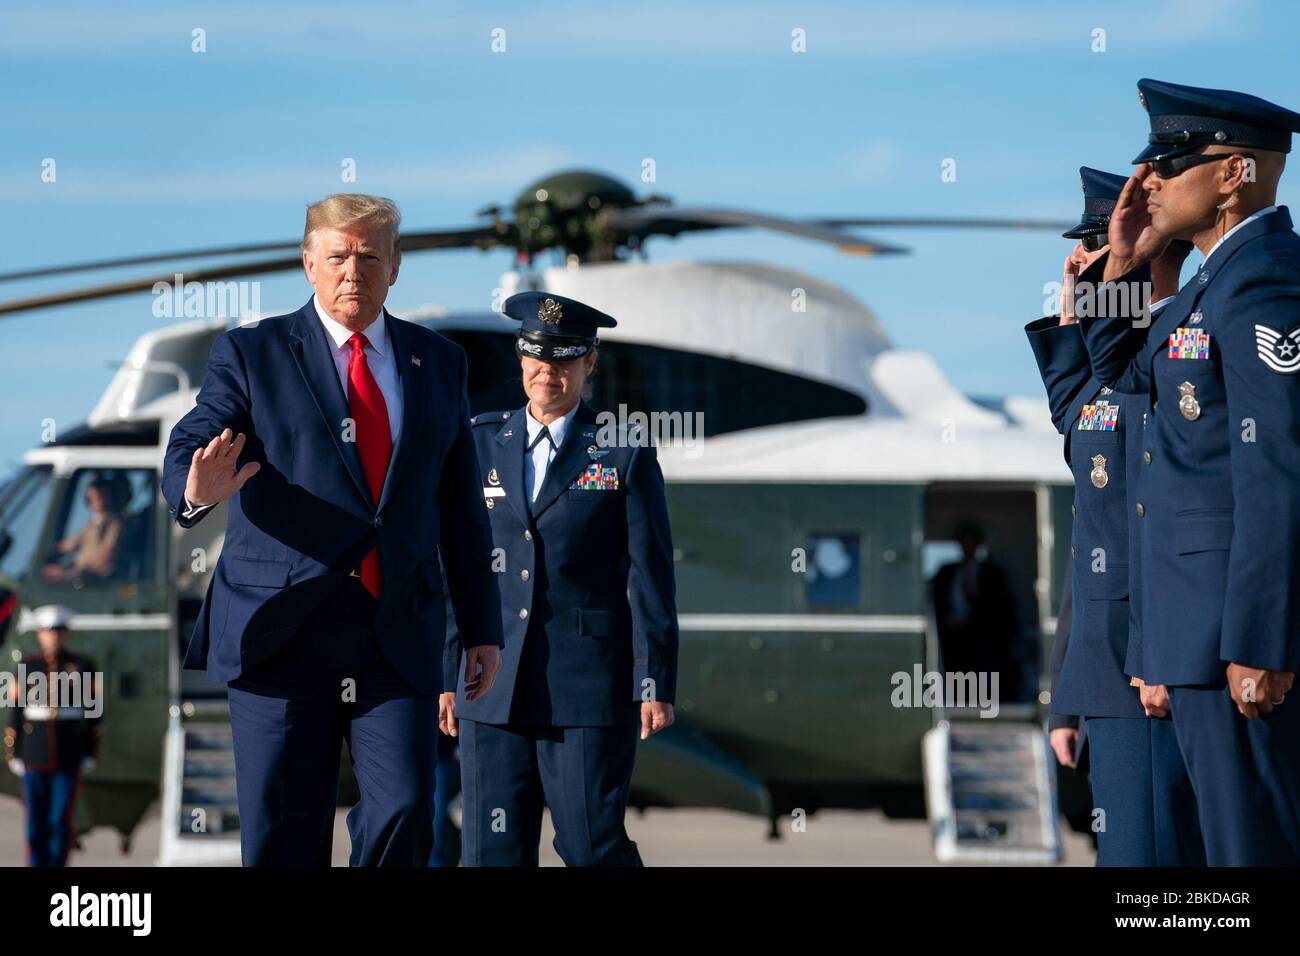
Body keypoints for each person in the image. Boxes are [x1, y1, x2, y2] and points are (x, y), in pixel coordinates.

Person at [160, 193, 504, 866]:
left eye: (371, 256)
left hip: (393, 630)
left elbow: (461, 505)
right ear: (309, 263)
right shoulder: (253, 352)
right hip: (281, 630)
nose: (355, 271)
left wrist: (482, 627)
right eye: (339, 256)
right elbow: (197, 436)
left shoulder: (438, 362)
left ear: (396, 267)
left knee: (407, 807)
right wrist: (194, 488)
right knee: (283, 831)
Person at [1079, 79, 1300, 865]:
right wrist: (1126, 266)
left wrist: (1261, 640)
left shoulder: (1265, 279)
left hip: (1232, 642)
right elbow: (1116, 380)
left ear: (1235, 172)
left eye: (1171, 164)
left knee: (1254, 853)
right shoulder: (1205, 289)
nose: (1151, 182)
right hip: (1193, 641)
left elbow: (1276, 468)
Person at [441, 291, 679, 866]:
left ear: (589, 363)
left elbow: (651, 577)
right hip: (487, 685)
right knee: (491, 853)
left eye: (565, 358)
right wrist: (445, 673)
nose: (548, 371)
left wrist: (655, 680)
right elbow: (454, 566)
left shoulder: (622, 451)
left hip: (585, 687)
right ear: (521, 360)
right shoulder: (476, 444)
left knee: (591, 846)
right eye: (537, 357)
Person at [1027, 167, 1202, 865]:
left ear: (1145, 249)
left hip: (1153, 666)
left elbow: (1160, 528)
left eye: (1097, 245)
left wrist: (1160, 649)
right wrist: (1066, 693)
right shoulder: (1114, 376)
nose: (1077, 261)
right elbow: (1092, 541)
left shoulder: (1174, 358)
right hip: (1108, 672)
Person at [4, 605, 101, 867]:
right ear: (40, 634)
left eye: (58, 631)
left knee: (60, 820)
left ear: (66, 634)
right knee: (36, 821)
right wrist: (14, 752)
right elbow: (16, 711)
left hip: (68, 754)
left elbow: (94, 715)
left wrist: (91, 751)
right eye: (48, 631)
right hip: (34, 754)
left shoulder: (82, 666)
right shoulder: (28, 666)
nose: (53, 637)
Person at [930, 523, 1025, 700]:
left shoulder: (993, 574)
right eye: (963, 543)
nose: (967, 547)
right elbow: (935, 600)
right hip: (951, 638)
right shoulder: (946, 571)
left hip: (984, 639)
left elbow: (1000, 608)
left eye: (971, 542)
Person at [42, 477, 124, 583]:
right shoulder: (93, 523)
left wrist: (68, 573)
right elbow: (70, 544)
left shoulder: (114, 523)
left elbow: (105, 556)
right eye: (92, 498)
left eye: (101, 496)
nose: (98, 500)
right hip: (79, 573)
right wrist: (47, 551)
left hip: (92, 579)